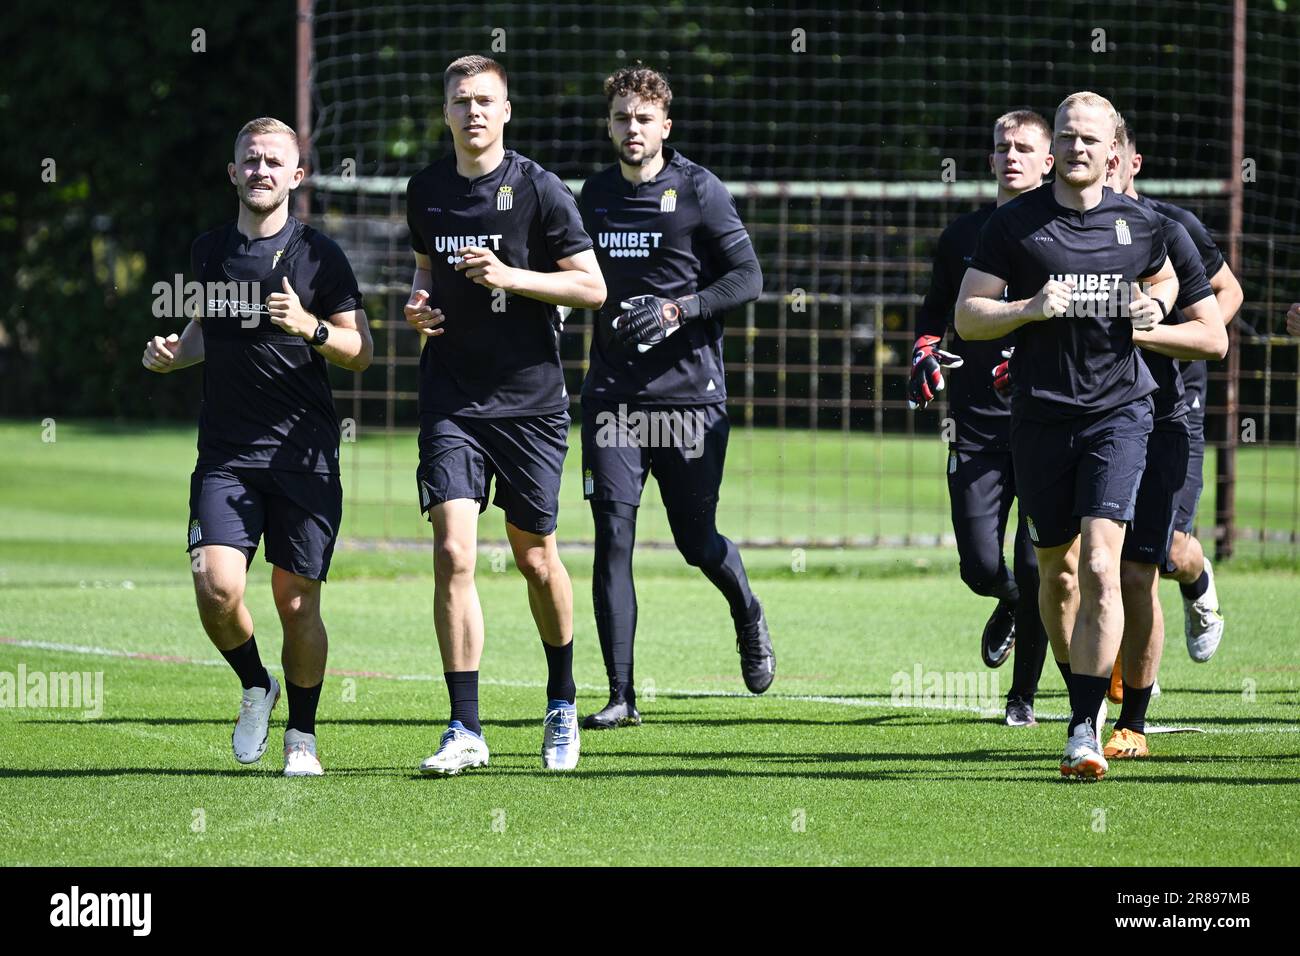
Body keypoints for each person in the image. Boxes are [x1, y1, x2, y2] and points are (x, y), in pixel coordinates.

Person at [956, 91, 1178, 781]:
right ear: (1054, 145)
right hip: (1041, 416)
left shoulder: (1141, 224)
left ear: (1114, 150)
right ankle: (1080, 679)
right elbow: (968, 317)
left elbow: (1166, 280)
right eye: (1067, 136)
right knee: (1055, 573)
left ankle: (1084, 729)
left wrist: (1155, 304)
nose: (1078, 147)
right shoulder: (1014, 226)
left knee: (1102, 566)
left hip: (1120, 412)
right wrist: (1027, 307)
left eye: (1091, 138)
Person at [142, 117, 373, 777]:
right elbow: (207, 330)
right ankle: (255, 684)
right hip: (227, 454)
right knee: (216, 587)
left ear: (296, 176)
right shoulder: (208, 251)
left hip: (303, 457)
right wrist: (170, 355)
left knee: (295, 602)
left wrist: (311, 327)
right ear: (233, 172)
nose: (262, 171)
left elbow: (362, 351)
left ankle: (301, 736)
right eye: (251, 160)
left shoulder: (321, 255)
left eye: (275, 162)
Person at [403, 56, 606, 774]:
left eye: (485, 100)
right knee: (455, 551)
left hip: (529, 402)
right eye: (460, 101)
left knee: (534, 556)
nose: (473, 112)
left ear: (507, 110)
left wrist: (511, 277)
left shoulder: (540, 190)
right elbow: (427, 271)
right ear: (446, 112)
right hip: (451, 397)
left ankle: (561, 702)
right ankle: (464, 727)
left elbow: (593, 288)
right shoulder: (424, 190)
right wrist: (418, 307)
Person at [575, 65, 771, 729]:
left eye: (644, 118)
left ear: (665, 124)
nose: (633, 129)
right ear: (609, 126)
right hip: (612, 399)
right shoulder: (592, 196)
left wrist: (679, 309)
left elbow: (748, 278)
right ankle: (621, 696)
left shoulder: (698, 189)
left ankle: (746, 609)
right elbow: (569, 278)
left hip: (690, 400)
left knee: (695, 542)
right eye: (622, 118)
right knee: (613, 536)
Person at [909, 109, 1054, 727]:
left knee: (1036, 560)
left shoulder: (1067, 233)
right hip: (974, 423)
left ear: (1048, 160)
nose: (1012, 155)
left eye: (1024, 146)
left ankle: (1021, 699)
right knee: (979, 566)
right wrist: (920, 354)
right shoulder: (963, 234)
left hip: (1047, 418)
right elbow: (934, 312)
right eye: (1002, 147)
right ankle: (1014, 606)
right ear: (991, 159)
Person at [1103, 117, 1228, 759]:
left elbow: (1222, 305)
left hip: (1172, 401)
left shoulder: (1171, 228)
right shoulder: (1065, 231)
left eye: (1113, 161)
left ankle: (1198, 581)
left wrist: (1168, 326)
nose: (1104, 172)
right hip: (1094, 413)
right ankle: (1093, 699)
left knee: (1159, 557)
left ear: (1131, 162)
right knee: (1095, 563)